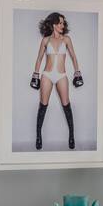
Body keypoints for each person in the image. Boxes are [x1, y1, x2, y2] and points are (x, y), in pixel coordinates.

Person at [30, 13, 83, 150]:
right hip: (47, 75)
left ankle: (72, 136)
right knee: (43, 106)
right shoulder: (46, 40)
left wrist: (77, 72)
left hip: (61, 76)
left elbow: (73, 57)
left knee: (67, 105)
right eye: (60, 23)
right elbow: (39, 59)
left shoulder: (66, 40)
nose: (62, 25)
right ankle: (38, 137)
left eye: (63, 23)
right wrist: (35, 75)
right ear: (54, 24)